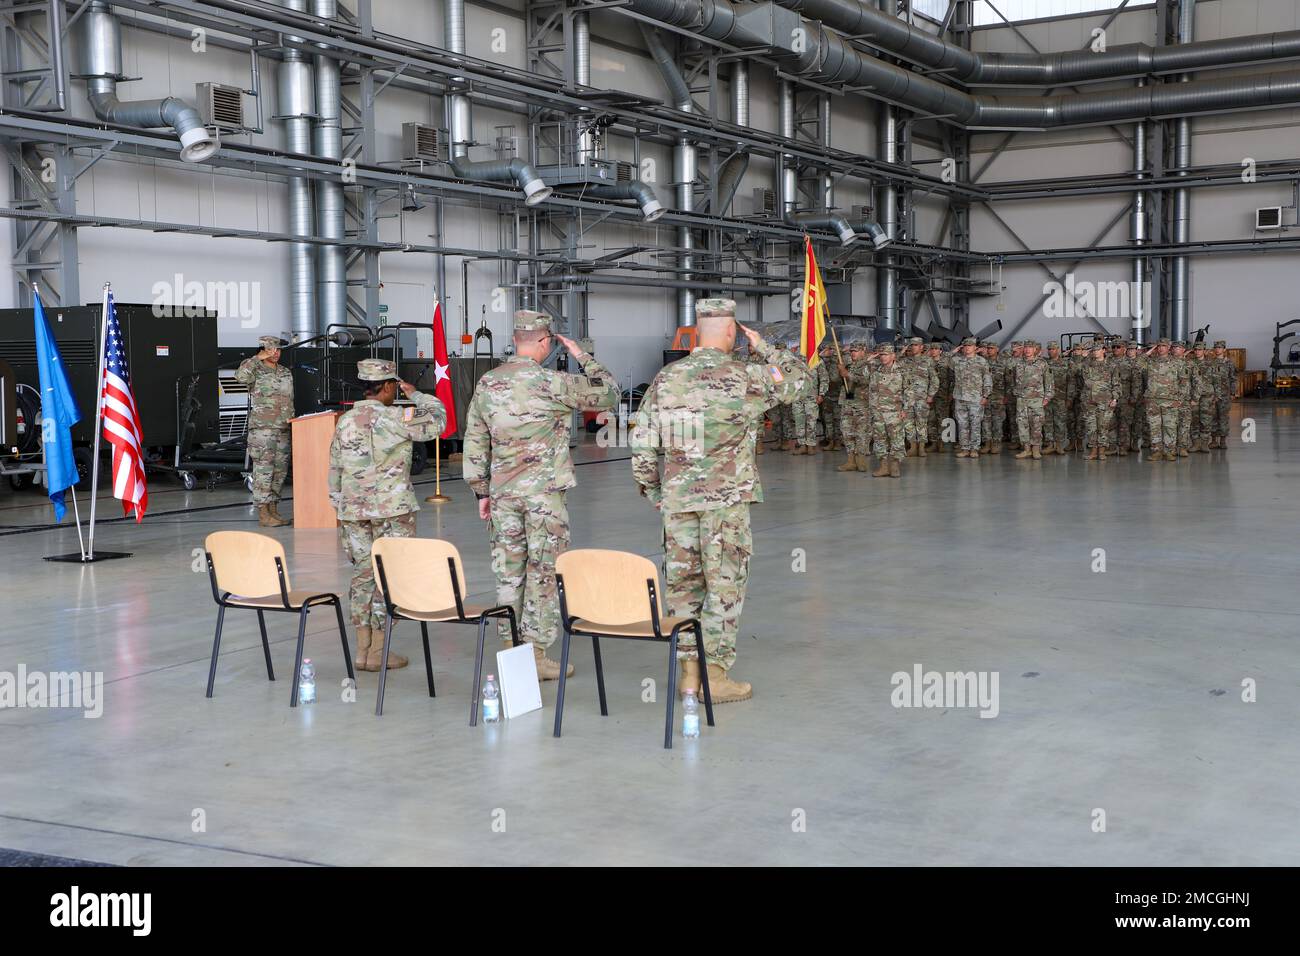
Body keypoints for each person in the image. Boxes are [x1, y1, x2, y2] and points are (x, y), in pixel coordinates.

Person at [631, 299, 807, 703]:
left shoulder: (667, 378)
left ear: (697, 332)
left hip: (678, 502)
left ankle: (688, 677)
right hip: (726, 503)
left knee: (683, 587)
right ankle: (715, 676)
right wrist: (765, 347)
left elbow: (641, 441)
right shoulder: (746, 376)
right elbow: (801, 382)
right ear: (732, 333)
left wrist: (654, 489)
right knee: (724, 585)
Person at [463, 310, 619, 679]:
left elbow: (475, 440)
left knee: (509, 572)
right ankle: (533, 655)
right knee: (543, 572)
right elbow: (609, 393)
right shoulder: (553, 382)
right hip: (543, 498)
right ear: (545, 342)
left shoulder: (488, 384)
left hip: (503, 495)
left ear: (516, 339)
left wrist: (481, 491)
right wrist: (582, 355)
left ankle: (508, 648)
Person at [328, 359, 447, 671]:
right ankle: (379, 651)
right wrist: (417, 395)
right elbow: (439, 420)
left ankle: (361, 651)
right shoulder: (401, 416)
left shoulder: (345, 421)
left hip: (353, 511)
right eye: (395, 383)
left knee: (363, 575)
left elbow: (335, 468)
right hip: (393, 511)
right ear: (389, 385)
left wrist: (340, 506)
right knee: (388, 576)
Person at [235, 335, 295, 527]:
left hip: (283, 428)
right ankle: (263, 512)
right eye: (271, 350)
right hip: (263, 430)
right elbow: (240, 377)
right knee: (263, 470)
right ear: (262, 350)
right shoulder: (255, 368)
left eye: (278, 349)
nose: (276, 353)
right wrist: (256, 359)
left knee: (280, 470)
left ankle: (273, 509)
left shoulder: (285, 372)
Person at [868, 343, 906, 478]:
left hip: (894, 412)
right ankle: (883, 466)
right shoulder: (875, 370)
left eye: (886, 354)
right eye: (881, 354)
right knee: (879, 439)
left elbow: (909, 391)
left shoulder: (901, 371)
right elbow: (857, 373)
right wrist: (868, 359)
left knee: (896, 439)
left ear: (893, 356)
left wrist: (906, 409)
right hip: (877, 412)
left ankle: (895, 465)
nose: (883, 357)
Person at [1142, 338, 1184, 461]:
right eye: (1159, 346)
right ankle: (1156, 451)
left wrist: (1179, 399)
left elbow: (1184, 382)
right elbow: (1136, 363)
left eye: (1164, 346)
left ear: (1169, 348)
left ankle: (1169, 451)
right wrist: (1150, 351)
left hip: (1170, 400)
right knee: (1154, 427)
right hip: (1153, 400)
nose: (1161, 348)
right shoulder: (1150, 362)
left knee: (1169, 427)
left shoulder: (1177, 363)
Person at [950, 337, 991, 459]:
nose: (967, 348)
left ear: (975, 348)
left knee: (975, 424)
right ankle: (965, 448)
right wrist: (953, 351)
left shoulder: (981, 361)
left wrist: (985, 395)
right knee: (962, 424)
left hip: (975, 398)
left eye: (970, 346)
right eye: (965, 346)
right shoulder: (957, 361)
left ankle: (974, 449)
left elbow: (987, 379)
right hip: (960, 397)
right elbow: (943, 360)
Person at [1079, 341, 1119, 460]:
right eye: (1094, 350)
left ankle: (1102, 451)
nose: (1095, 352)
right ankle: (1093, 451)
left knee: (1103, 427)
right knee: (1091, 427)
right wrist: (1084, 357)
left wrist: (1115, 398)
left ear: (1104, 350)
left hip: (1105, 401)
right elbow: (1080, 372)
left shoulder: (1112, 366)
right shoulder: (1087, 365)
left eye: (1098, 350)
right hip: (1089, 400)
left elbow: (1116, 384)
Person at [837, 341, 872, 472]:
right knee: (847, 432)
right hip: (847, 402)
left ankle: (861, 460)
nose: (853, 353)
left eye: (855, 351)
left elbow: (866, 380)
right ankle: (851, 460)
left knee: (861, 433)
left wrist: (847, 374)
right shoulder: (849, 365)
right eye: (851, 351)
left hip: (861, 404)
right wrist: (840, 369)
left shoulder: (868, 364)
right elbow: (836, 380)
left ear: (863, 351)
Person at [1013, 341, 1052, 460]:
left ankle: (1036, 449)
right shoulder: (1018, 363)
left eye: (1030, 348)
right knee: (1022, 424)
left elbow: (1049, 381)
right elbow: (1012, 380)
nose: (1027, 350)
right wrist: (1015, 392)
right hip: (1022, 399)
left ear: (1035, 349)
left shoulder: (1042, 363)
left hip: (1036, 399)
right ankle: (1026, 449)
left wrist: (1047, 397)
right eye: (1026, 347)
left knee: (1036, 424)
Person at [901, 336, 937, 457]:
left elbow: (934, 380)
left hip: (922, 398)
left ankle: (921, 447)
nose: (913, 347)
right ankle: (912, 447)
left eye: (916, 345)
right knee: (908, 423)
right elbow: (892, 361)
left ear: (921, 347)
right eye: (911, 345)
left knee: (922, 423)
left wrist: (931, 395)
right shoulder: (905, 361)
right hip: (908, 399)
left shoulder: (928, 361)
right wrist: (901, 352)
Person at [790, 349, 827, 455]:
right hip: (798, 397)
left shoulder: (818, 361)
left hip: (812, 396)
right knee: (799, 421)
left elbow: (824, 378)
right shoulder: (797, 361)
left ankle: (811, 445)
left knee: (811, 421)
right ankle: (802, 445)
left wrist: (821, 394)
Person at [1044, 341, 1070, 455]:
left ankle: (1059, 445)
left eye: (1053, 349)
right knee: (1047, 422)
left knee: (1060, 422)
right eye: (1049, 349)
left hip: (1061, 397)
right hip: (1047, 398)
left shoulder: (1066, 363)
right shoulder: (1044, 363)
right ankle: (1050, 444)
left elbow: (1071, 382)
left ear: (1058, 350)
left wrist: (1069, 398)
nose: (1051, 351)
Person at [1210, 340, 1236, 449]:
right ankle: (1214, 440)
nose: (1217, 349)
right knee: (1213, 417)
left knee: (1223, 417)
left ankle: (1223, 440)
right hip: (1212, 394)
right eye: (1216, 348)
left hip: (1224, 395)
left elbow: (1233, 379)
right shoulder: (1210, 362)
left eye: (1220, 348)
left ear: (1224, 349)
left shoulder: (1229, 363)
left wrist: (1233, 392)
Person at [819, 343, 843, 450]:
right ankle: (831, 440)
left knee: (837, 420)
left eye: (833, 350)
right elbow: (818, 357)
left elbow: (834, 378)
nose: (830, 352)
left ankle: (837, 441)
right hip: (827, 396)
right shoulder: (825, 362)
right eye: (829, 350)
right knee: (828, 420)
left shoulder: (841, 362)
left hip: (837, 396)